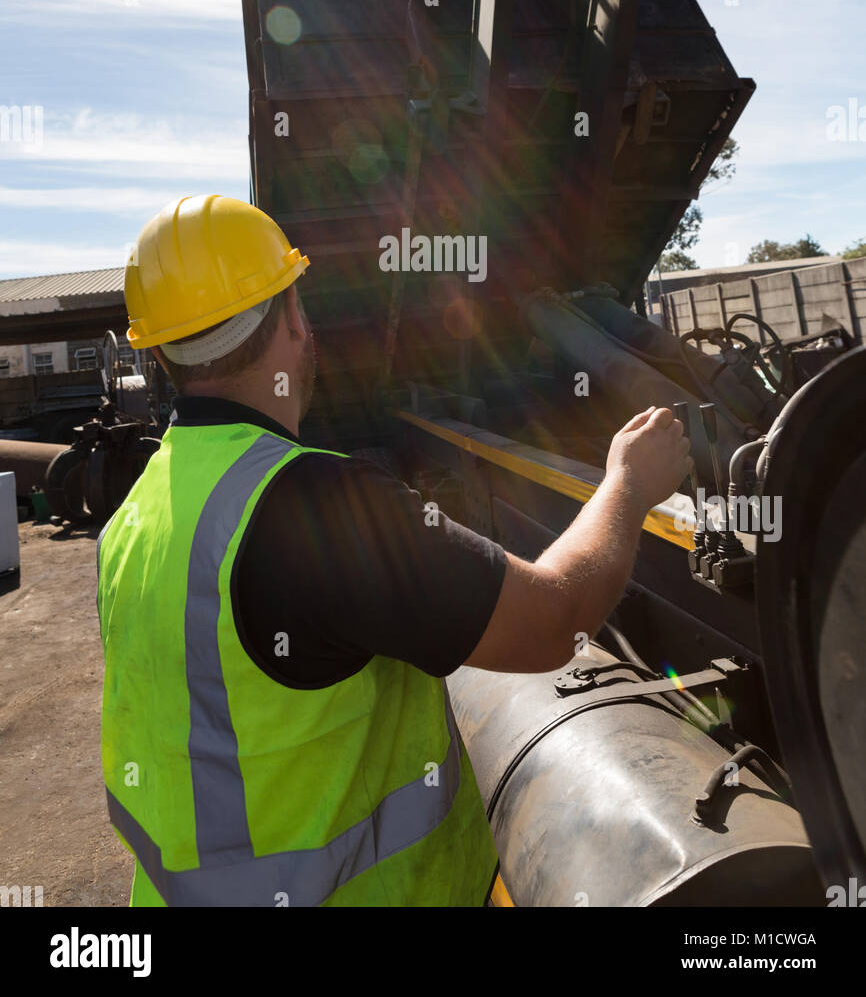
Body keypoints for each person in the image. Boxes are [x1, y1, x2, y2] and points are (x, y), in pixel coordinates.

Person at [96, 193, 692, 907]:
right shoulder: (314, 504)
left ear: (159, 351)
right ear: (295, 316)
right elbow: (554, 621)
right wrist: (627, 485)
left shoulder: (132, 518)